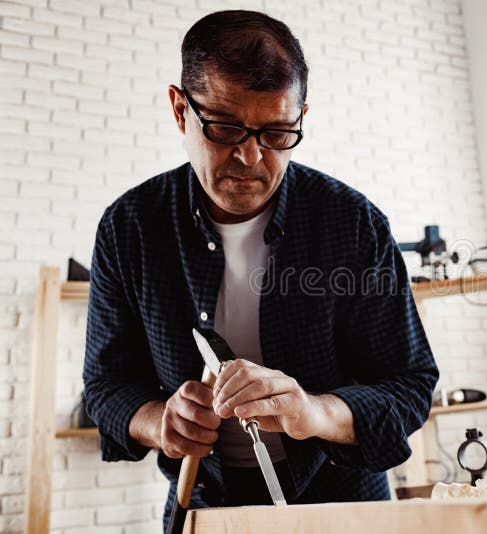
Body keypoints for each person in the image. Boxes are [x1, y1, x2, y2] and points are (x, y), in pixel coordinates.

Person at [82, 9, 438, 530]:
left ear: (301, 117)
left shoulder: (354, 223)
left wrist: (313, 412)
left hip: (343, 503)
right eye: (225, 128)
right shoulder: (129, 227)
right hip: (201, 504)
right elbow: (106, 385)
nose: (250, 157)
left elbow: (408, 385)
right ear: (180, 110)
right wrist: (160, 423)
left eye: (276, 133)